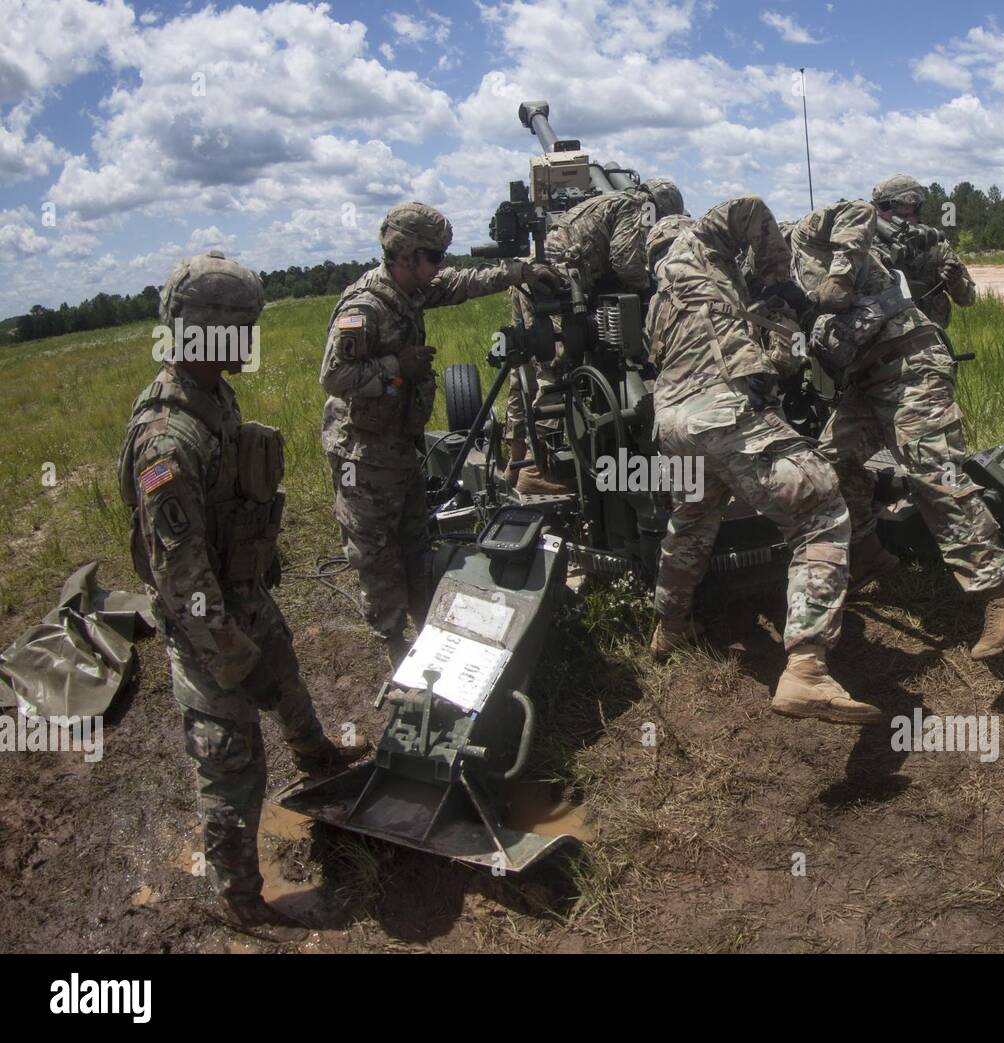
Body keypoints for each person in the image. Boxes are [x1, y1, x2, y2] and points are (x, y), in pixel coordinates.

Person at [119, 251, 365, 931]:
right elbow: (179, 573)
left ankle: (319, 760)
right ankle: (239, 896)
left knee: (287, 683)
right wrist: (226, 650)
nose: (250, 342)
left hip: (245, 595)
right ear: (208, 332)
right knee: (231, 762)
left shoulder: (211, 395)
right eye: (242, 328)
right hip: (206, 624)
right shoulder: (167, 438)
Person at [646, 198, 878, 726]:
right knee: (820, 509)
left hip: (674, 427)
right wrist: (778, 283)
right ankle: (806, 669)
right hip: (724, 412)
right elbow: (747, 208)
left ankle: (669, 627)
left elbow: (765, 359)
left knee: (692, 521)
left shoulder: (660, 304)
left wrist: (774, 333)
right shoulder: (698, 246)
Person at [791, 199, 1004, 659]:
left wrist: (838, 280)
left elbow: (856, 211)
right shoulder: (767, 285)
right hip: (866, 382)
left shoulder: (803, 234)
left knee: (935, 475)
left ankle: (1000, 599)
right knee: (828, 467)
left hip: (911, 364)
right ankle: (869, 556)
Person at [320, 202, 559, 667]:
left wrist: (520, 272)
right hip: (363, 454)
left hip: (399, 444)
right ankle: (394, 650)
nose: (441, 266)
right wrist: (396, 368)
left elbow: (465, 282)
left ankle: (428, 630)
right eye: (433, 256)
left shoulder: (412, 291)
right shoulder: (365, 307)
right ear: (405, 255)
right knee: (376, 556)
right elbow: (334, 377)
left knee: (414, 542)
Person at [505, 177, 685, 494]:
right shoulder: (632, 206)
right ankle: (538, 470)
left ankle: (515, 459)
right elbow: (627, 264)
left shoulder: (610, 202)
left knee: (524, 376)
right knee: (556, 371)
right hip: (554, 286)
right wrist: (654, 292)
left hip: (532, 279)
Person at [870, 174, 976, 329]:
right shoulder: (865, 243)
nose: (907, 218)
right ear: (881, 209)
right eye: (900, 211)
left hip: (927, 336)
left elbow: (968, 299)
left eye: (912, 211)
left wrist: (955, 281)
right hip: (878, 337)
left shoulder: (935, 245)